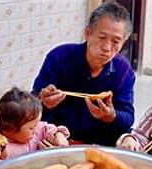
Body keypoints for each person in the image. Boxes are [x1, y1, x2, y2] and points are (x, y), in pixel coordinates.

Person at [32, 1, 135, 146]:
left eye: (116, 41)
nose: (107, 47)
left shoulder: (124, 70)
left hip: (100, 144)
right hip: (57, 140)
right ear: (88, 33)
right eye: (102, 37)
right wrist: (43, 101)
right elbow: (31, 104)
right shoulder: (59, 58)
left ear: (123, 42)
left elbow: (128, 117)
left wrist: (111, 115)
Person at [0, 87, 70, 159]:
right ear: (10, 129)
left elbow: (52, 129)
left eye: (36, 124)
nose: (35, 130)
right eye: (31, 128)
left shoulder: (37, 130)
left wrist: (59, 136)